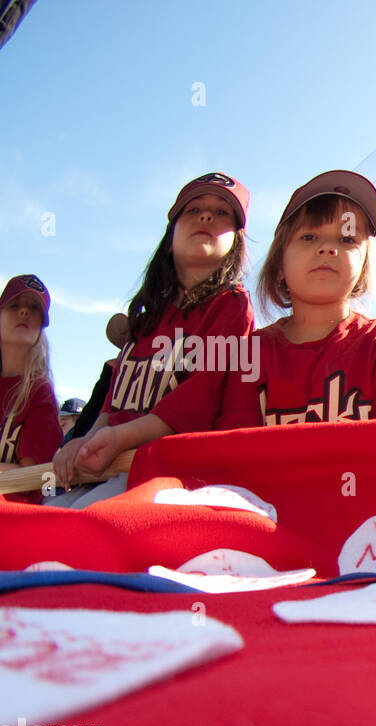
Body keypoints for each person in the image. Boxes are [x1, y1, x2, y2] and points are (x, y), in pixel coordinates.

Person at [52, 172, 256, 499]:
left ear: (237, 239)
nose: (206, 216)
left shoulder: (232, 306)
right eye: (193, 210)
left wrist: (119, 437)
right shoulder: (145, 319)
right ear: (170, 233)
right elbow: (111, 406)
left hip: (171, 478)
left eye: (222, 213)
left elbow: (200, 399)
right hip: (108, 469)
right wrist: (84, 440)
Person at [221, 170, 376, 426]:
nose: (328, 248)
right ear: (279, 267)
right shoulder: (250, 353)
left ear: (364, 267)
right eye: (309, 237)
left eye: (347, 239)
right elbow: (235, 451)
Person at [0, 275, 61, 502]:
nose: (24, 311)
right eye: (14, 305)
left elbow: (32, 479)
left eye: (34, 308)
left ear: (40, 328)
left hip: (16, 513)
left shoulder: (39, 392)